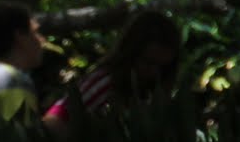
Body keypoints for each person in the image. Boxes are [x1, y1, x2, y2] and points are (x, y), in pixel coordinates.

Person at [44, 10, 180, 125]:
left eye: (164, 68)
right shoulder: (103, 84)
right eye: (149, 63)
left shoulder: (152, 96)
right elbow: (54, 123)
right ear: (131, 53)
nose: (154, 72)